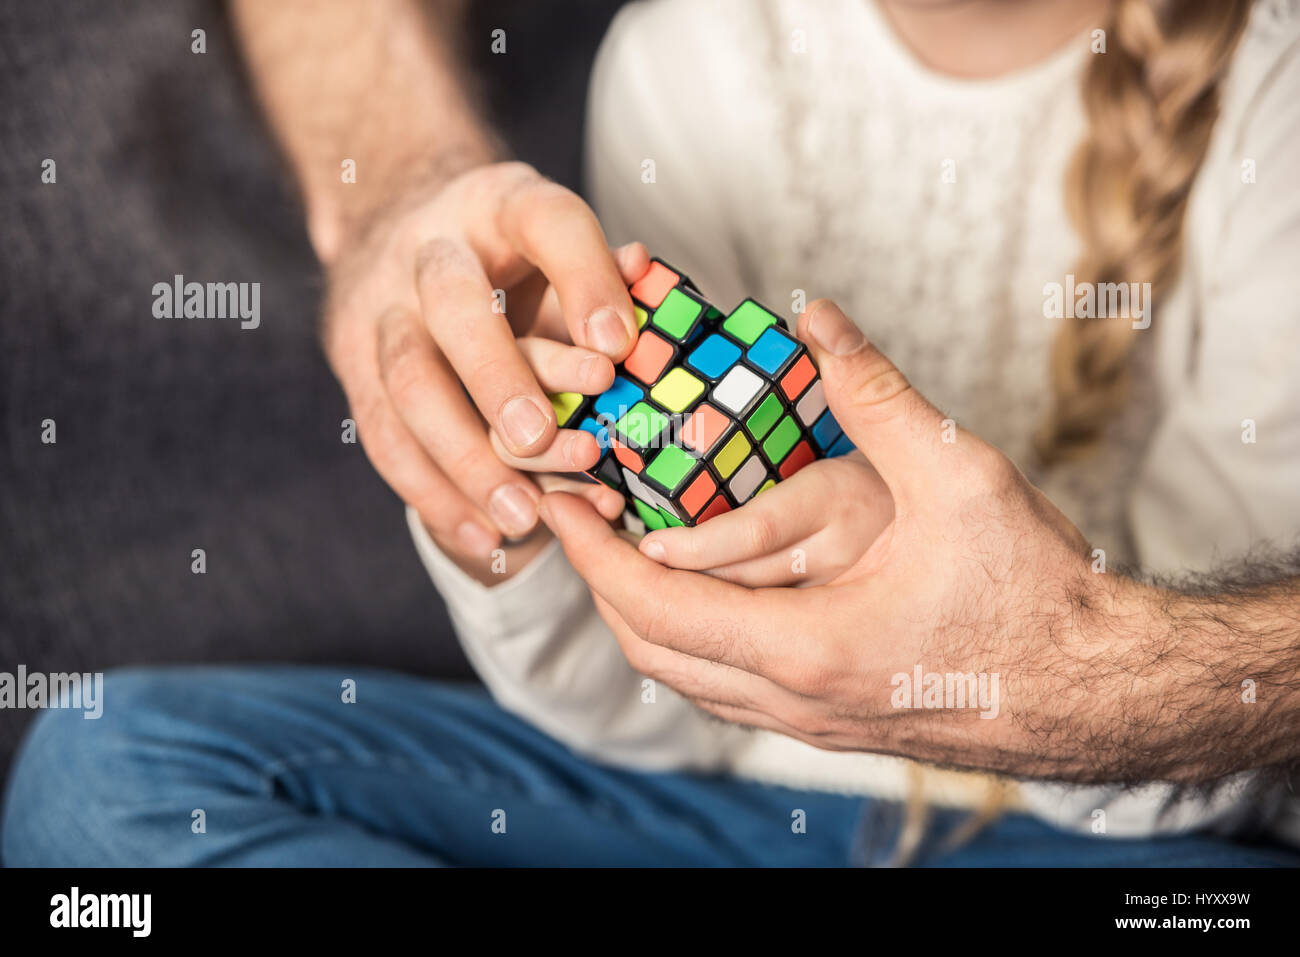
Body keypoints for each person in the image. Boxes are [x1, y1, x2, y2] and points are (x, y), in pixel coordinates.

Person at [5, 0, 1300, 866]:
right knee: (107, 771)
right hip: (705, 811)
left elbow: (1228, 728)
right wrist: (512, 515)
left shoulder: (1268, 91)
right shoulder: (695, 54)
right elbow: (643, 711)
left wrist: (1028, 665)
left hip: (1114, 848)